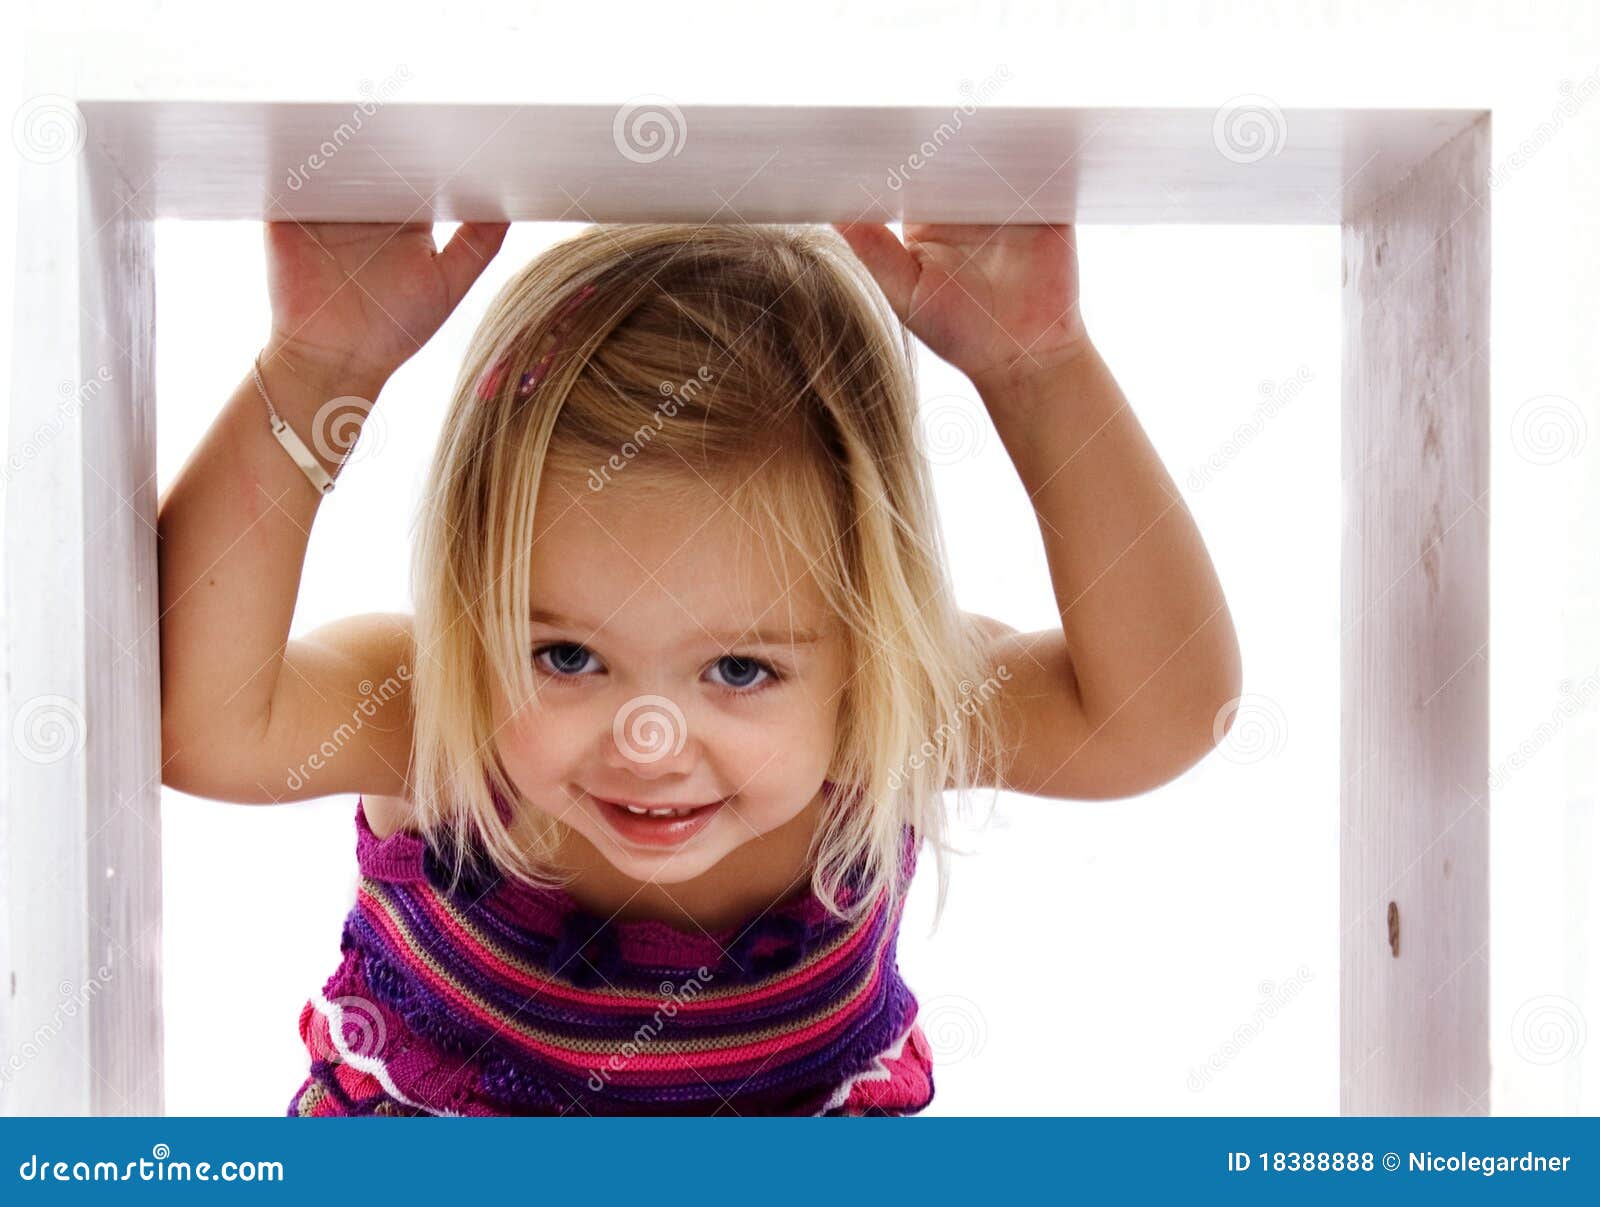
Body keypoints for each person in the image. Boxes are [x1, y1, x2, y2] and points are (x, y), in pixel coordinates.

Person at [157, 217, 1242, 1116]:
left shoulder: (885, 705)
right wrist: (316, 369)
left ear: (867, 646)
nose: (649, 741)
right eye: (568, 655)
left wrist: (1037, 366)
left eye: (737, 670)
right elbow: (192, 723)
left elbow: (1166, 710)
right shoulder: (436, 705)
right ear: (469, 606)